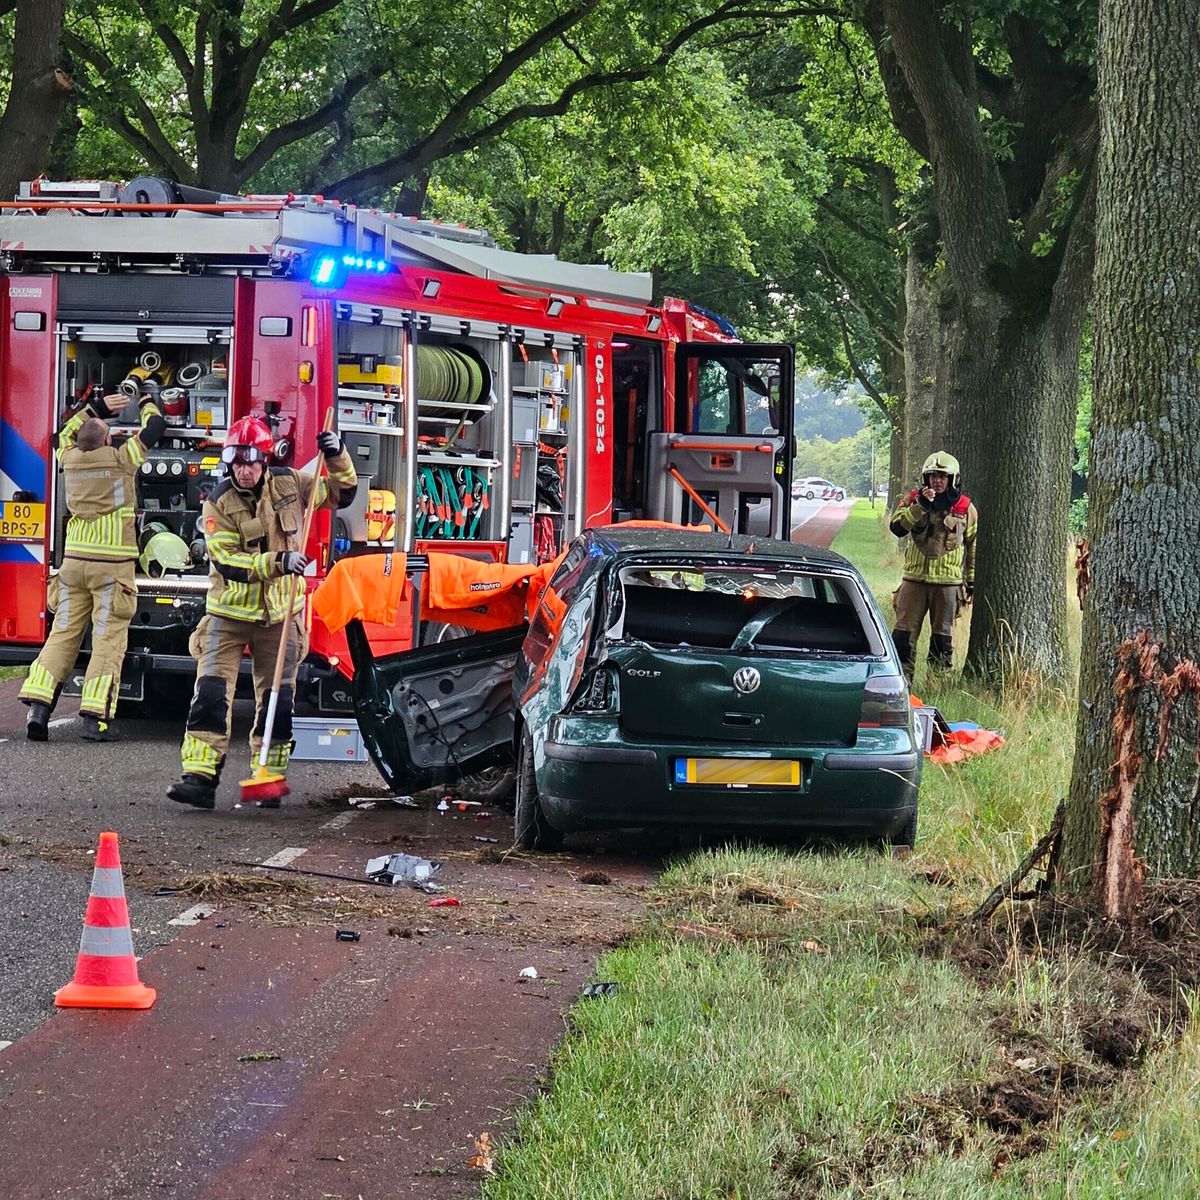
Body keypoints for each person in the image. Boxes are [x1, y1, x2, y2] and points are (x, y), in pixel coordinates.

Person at [167, 416, 357, 810]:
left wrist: (337, 454)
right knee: (212, 693)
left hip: (281, 615)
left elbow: (343, 493)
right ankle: (199, 778)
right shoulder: (217, 502)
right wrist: (278, 561)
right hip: (228, 615)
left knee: (277, 700)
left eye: (251, 460)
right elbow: (228, 560)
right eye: (237, 461)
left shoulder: (291, 482)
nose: (245, 469)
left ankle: (267, 776)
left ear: (264, 459)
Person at [20, 391, 166, 741]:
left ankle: (38, 708)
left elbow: (60, 434)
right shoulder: (120, 458)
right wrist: (147, 400)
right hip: (111, 570)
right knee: (107, 641)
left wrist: (97, 408)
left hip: (73, 566)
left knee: (63, 635)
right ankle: (95, 719)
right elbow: (156, 426)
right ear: (107, 438)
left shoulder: (68, 458)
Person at [888, 450, 977, 678]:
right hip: (914, 580)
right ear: (925, 479)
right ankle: (901, 685)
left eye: (942, 476)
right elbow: (898, 528)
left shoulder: (966, 508)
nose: (937, 481)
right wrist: (920, 506)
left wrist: (971, 582)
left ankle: (936, 686)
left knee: (942, 640)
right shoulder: (912, 500)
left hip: (948, 585)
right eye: (932, 476)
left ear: (952, 479)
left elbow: (972, 547)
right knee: (902, 638)